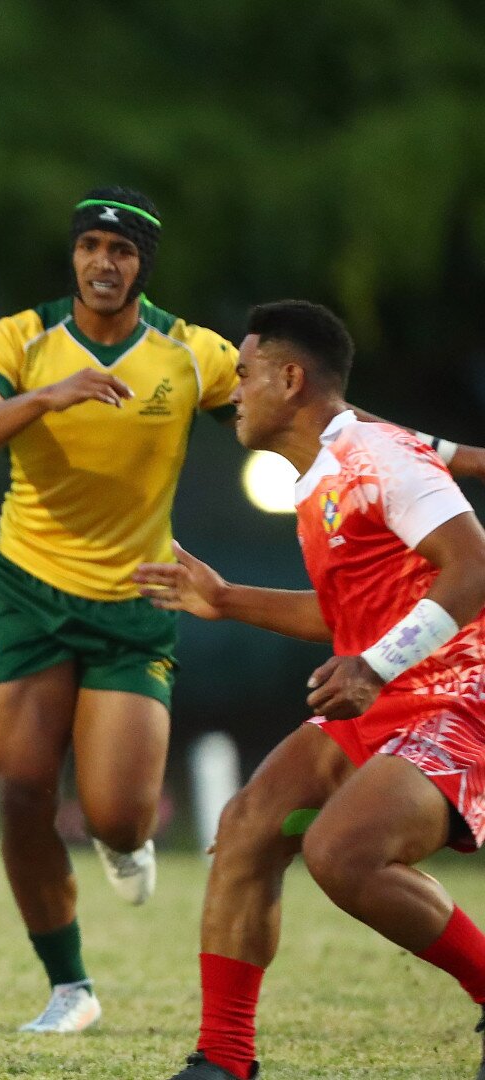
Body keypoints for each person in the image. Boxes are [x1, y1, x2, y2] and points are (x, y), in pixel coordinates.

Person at [0, 192, 485, 1034]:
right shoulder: (24, 338)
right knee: (202, 819)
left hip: (188, 613)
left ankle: (127, 847)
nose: (102, 262)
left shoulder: (228, 373)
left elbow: (352, 430)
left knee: (294, 846)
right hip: (29, 591)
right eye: (88, 245)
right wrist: (225, 598)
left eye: (120, 250)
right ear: (73, 255)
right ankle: (168, 1031)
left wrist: (460, 459)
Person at [134, 300, 485, 1080]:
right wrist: (225, 600)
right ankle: (223, 1059)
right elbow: (345, 617)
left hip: (458, 697)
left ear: (291, 379)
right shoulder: (324, 473)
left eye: (246, 371)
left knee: (342, 853)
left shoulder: (376, 455)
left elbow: (474, 565)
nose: (233, 390)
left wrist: (373, 667)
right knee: (248, 827)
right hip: (391, 693)